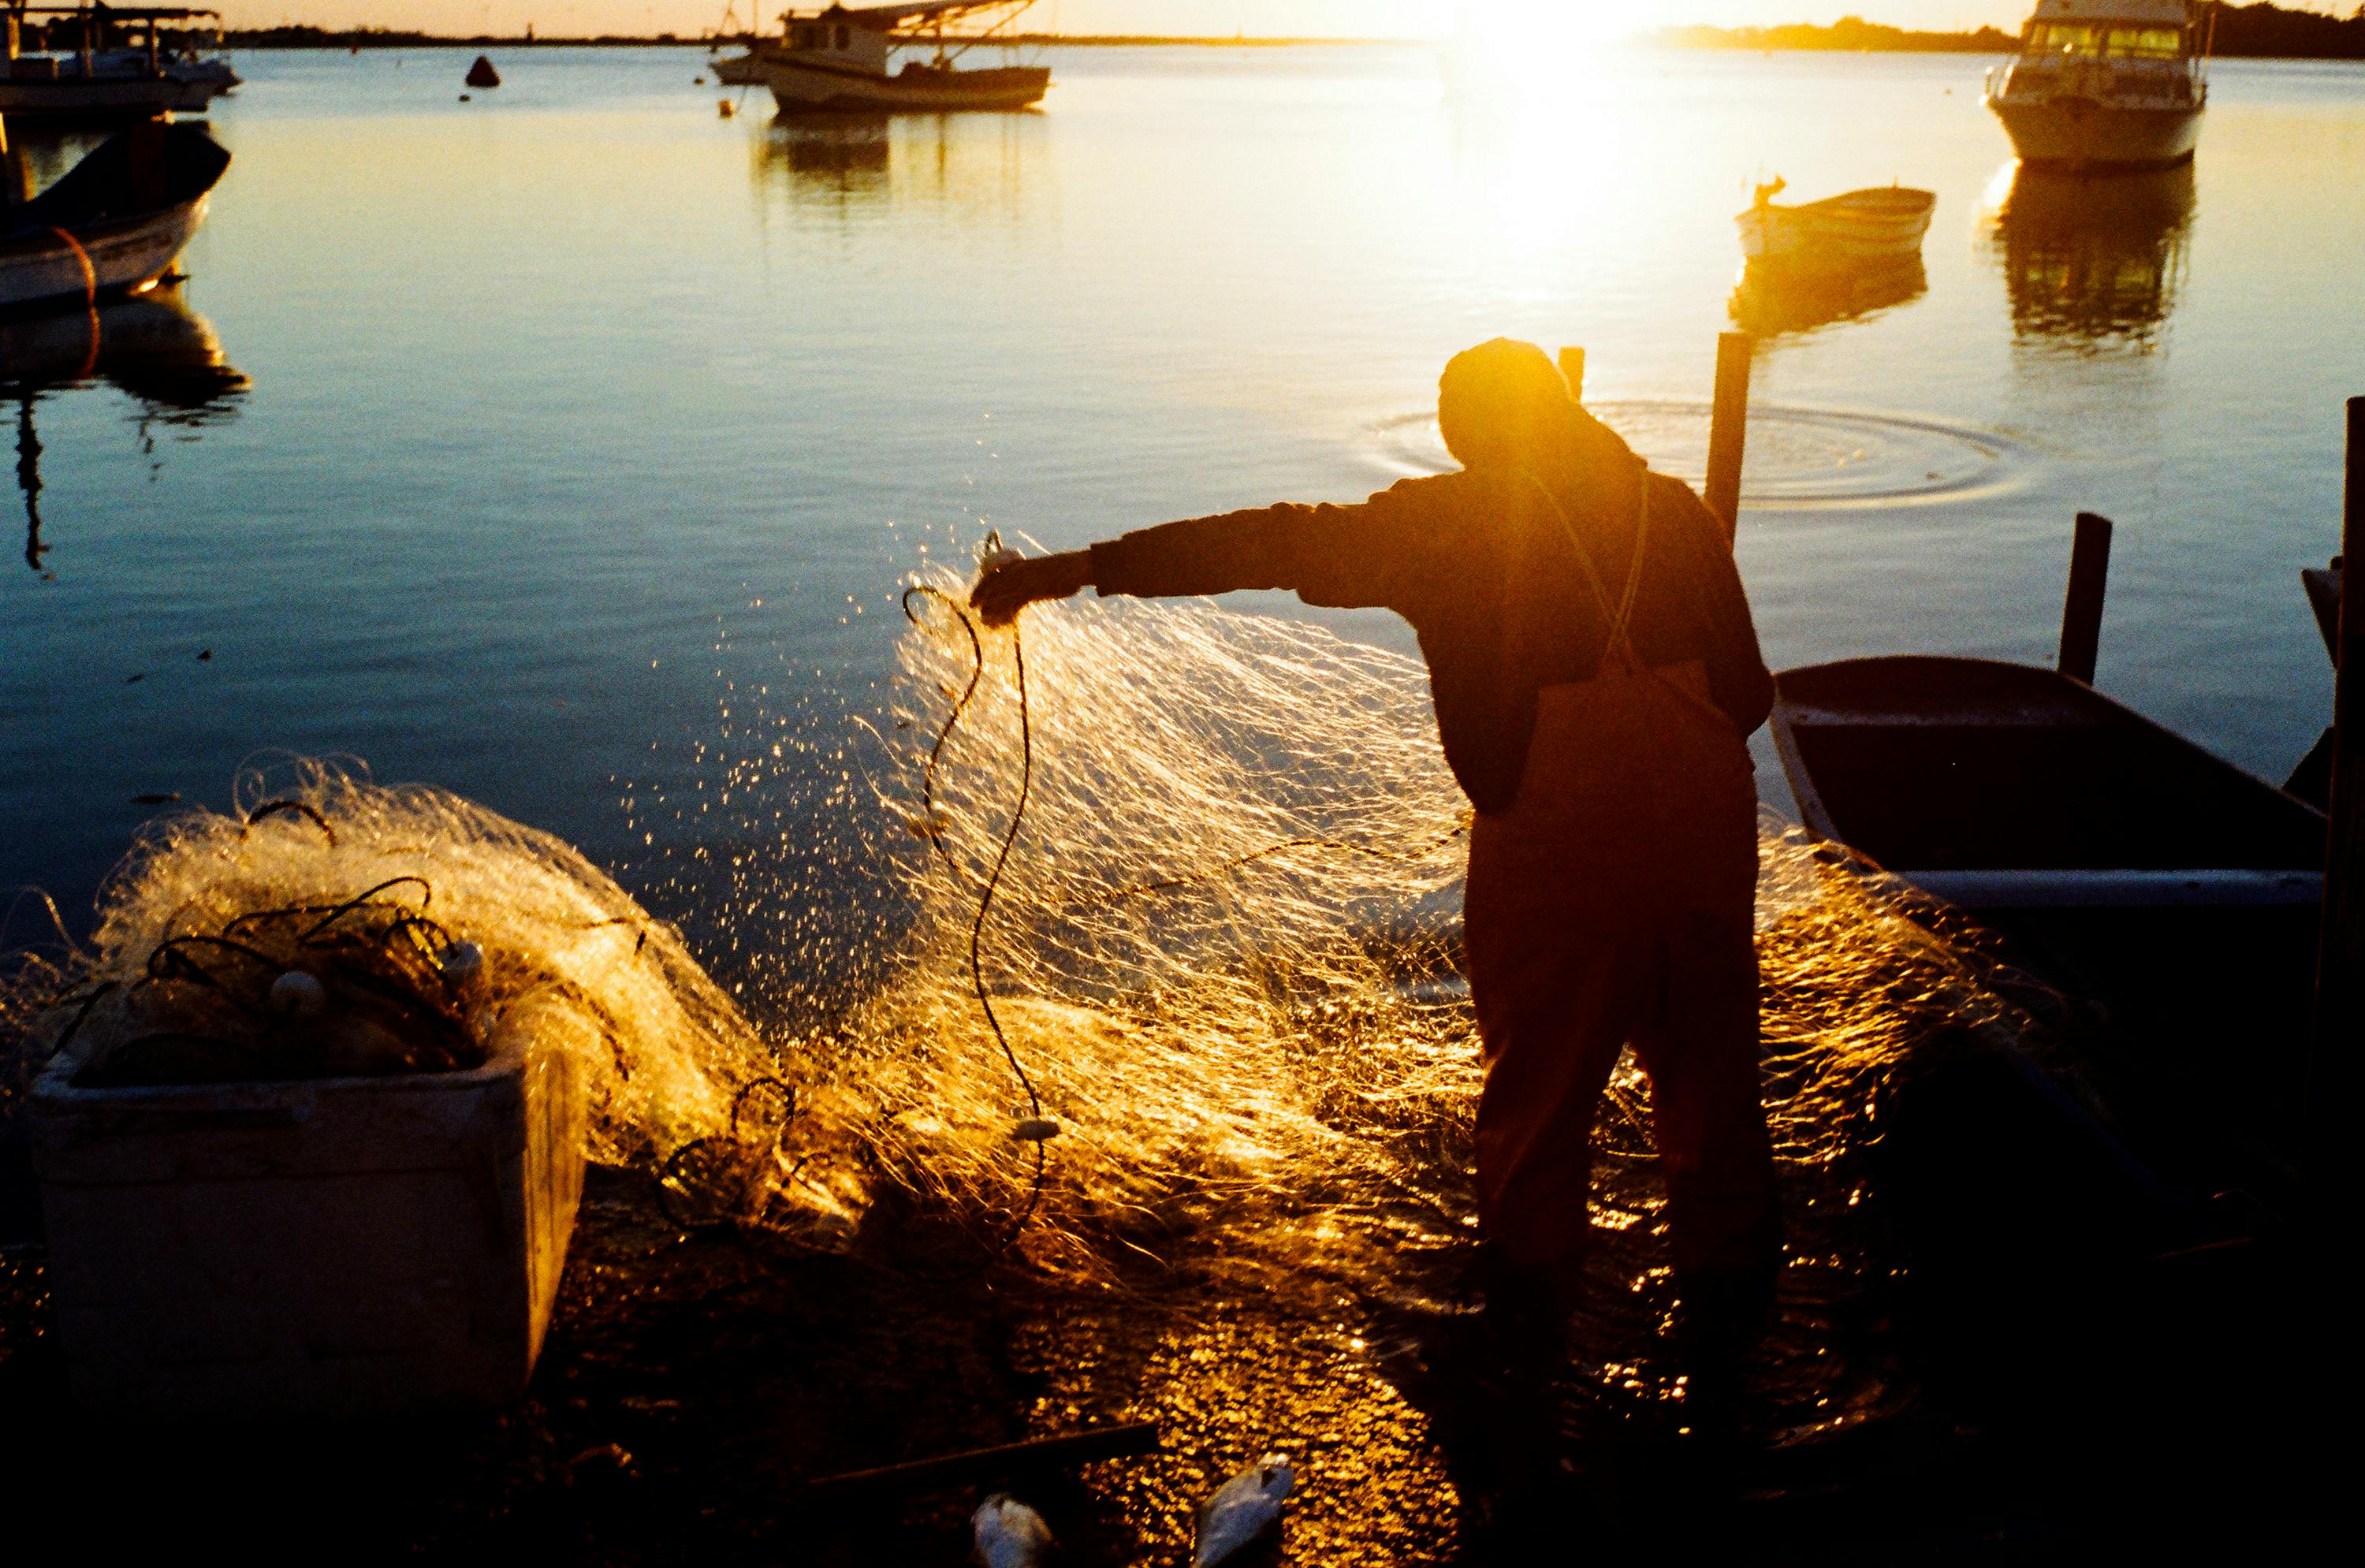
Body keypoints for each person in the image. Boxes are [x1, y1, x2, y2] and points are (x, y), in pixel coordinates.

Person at [972, 338, 1781, 1358]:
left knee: (1537, 1113)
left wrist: (1073, 571)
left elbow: (1269, 542)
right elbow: (1749, 694)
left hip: (1562, 850)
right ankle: (1735, 1377)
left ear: (1475, 435)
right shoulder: (1678, 514)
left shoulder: (1449, 526)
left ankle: (1527, 1386)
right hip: (1706, 832)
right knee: (1718, 1110)